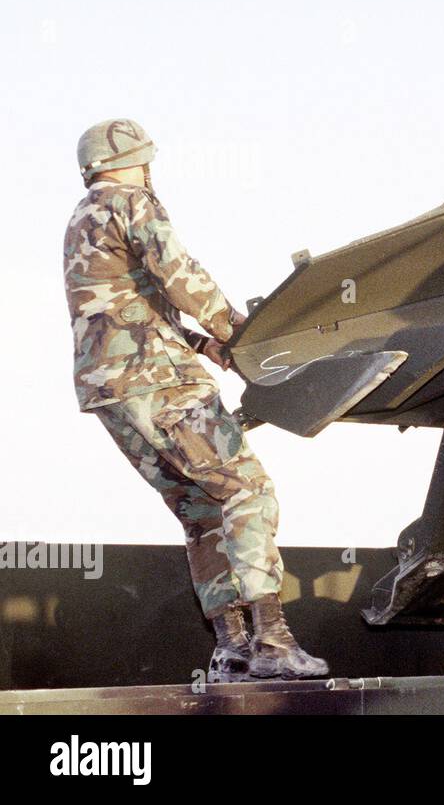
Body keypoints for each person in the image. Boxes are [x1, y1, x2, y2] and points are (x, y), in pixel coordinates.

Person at [63, 118, 327, 682]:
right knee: (247, 491)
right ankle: (273, 642)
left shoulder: (81, 221)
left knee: (202, 511)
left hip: (111, 393)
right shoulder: (132, 202)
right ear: (139, 159)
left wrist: (204, 344)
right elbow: (180, 276)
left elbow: (122, 311)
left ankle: (231, 651)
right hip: (164, 384)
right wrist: (238, 331)